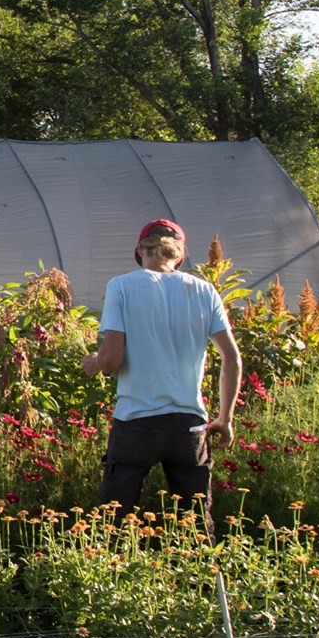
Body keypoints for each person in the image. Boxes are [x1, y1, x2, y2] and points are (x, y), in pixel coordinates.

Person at [80, 218, 241, 528]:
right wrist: (225, 419)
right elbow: (231, 357)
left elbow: (112, 360)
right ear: (179, 255)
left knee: (114, 518)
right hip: (189, 424)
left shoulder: (123, 286)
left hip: (137, 422)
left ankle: (110, 573)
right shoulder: (204, 290)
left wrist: (95, 362)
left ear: (140, 250)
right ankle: (205, 576)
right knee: (196, 522)